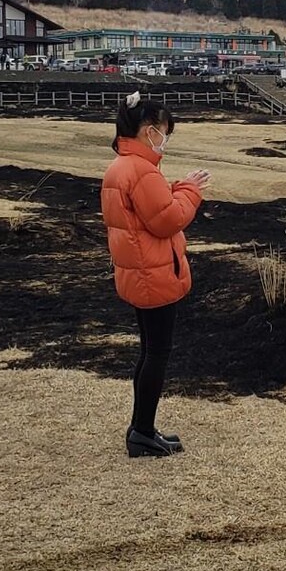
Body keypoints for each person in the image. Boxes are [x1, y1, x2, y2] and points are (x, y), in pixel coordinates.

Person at [101, 91, 209, 458]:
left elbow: (150, 211)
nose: (166, 138)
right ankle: (142, 432)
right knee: (156, 354)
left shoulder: (121, 167)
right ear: (149, 131)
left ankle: (141, 427)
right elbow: (167, 220)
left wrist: (176, 188)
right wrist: (191, 192)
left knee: (148, 352)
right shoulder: (141, 170)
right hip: (154, 276)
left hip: (138, 275)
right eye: (164, 130)